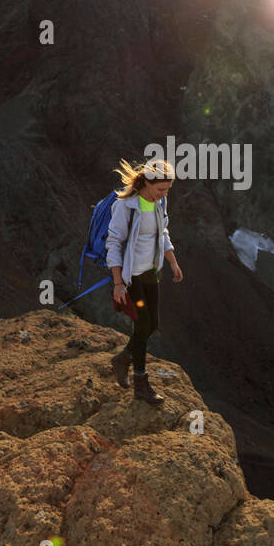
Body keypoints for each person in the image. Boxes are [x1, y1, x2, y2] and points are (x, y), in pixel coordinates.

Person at [105, 156, 183, 405]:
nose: (163, 194)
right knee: (143, 324)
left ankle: (123, 358)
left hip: (151, 272)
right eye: (161, 189)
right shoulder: (125, 206)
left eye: (167, 189)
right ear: (147, 183)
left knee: (153, 324)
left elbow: (164, 232)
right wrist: (118, 283)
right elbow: (114, 243)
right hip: (132, 277)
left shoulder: (160, 203)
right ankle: (141, 383)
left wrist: (172, 261)